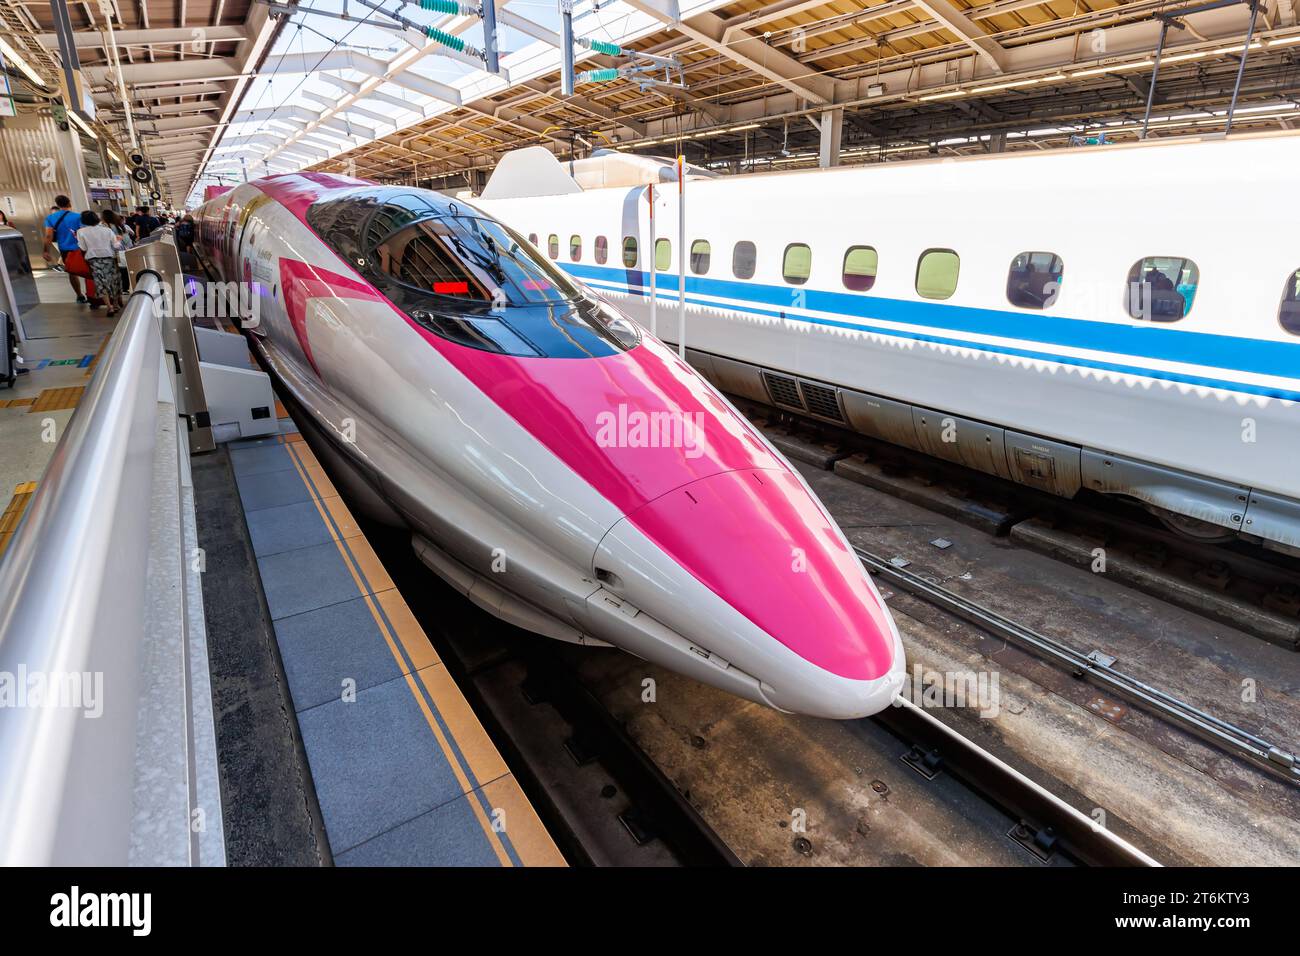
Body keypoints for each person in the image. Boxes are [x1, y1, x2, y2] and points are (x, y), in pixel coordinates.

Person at [76, 210, 125, 317]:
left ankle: (109, 307)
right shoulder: (107, 230)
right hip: (109, 258)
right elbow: (116, 246)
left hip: (94, 260)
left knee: (101, 283)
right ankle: (115, 304)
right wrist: (119, 240)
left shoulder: (81, 232)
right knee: (114, 281)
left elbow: (83, 248)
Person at [43, 195, 85, 301]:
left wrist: (46, 251)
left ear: (57, 205)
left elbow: (48, 235)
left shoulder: (51, 218)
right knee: (89, 269)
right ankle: (93, 294)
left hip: (65, 249)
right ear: (69, 203)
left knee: (72, 272)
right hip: (81, 248)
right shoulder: (78, 216)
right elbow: (85, 232)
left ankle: (79, 295)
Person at [102, 208, 133, 293]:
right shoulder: (120, 225)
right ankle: (125, 288)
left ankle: (119, 288)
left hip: (113, 251)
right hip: (123, 250)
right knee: (124, 269)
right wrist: (128, 247)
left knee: (116, 270)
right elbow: (127, 238)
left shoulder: (106, 227)